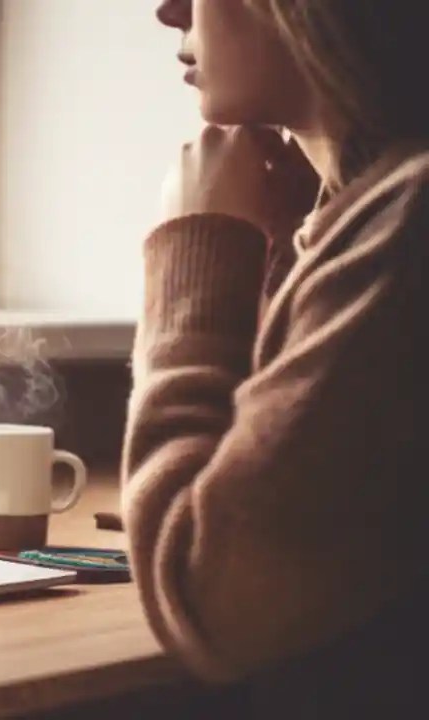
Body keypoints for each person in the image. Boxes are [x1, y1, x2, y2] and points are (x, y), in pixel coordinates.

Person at [128, 0, 429, 713]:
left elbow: (212, 606)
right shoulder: (370, 214)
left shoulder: (408, 226)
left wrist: (197, 254)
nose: (169, 10)